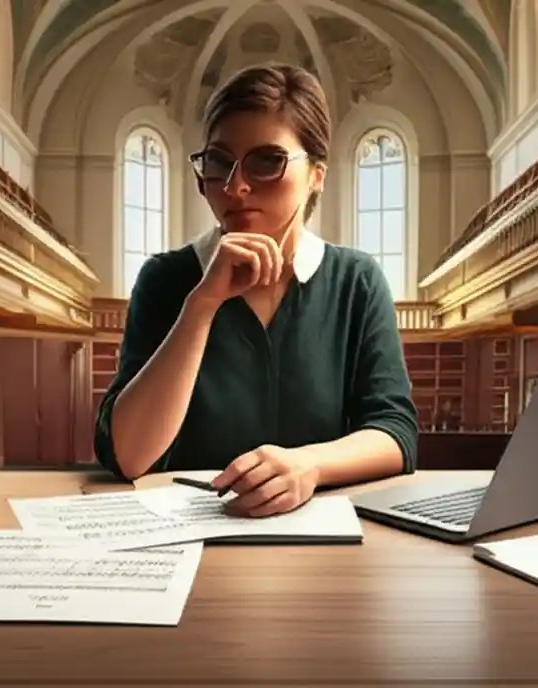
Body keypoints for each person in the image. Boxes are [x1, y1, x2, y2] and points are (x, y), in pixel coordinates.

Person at [93, 62, 418, 518]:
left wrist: (310, 464)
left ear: (317, 175)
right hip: (187, 541)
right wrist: (202, 305)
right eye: (219, 162)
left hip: (323, 547)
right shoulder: (165, 279)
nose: (236, 186)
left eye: (268, 161)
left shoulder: (357, 281)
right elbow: (129, 455)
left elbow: (395, 433)